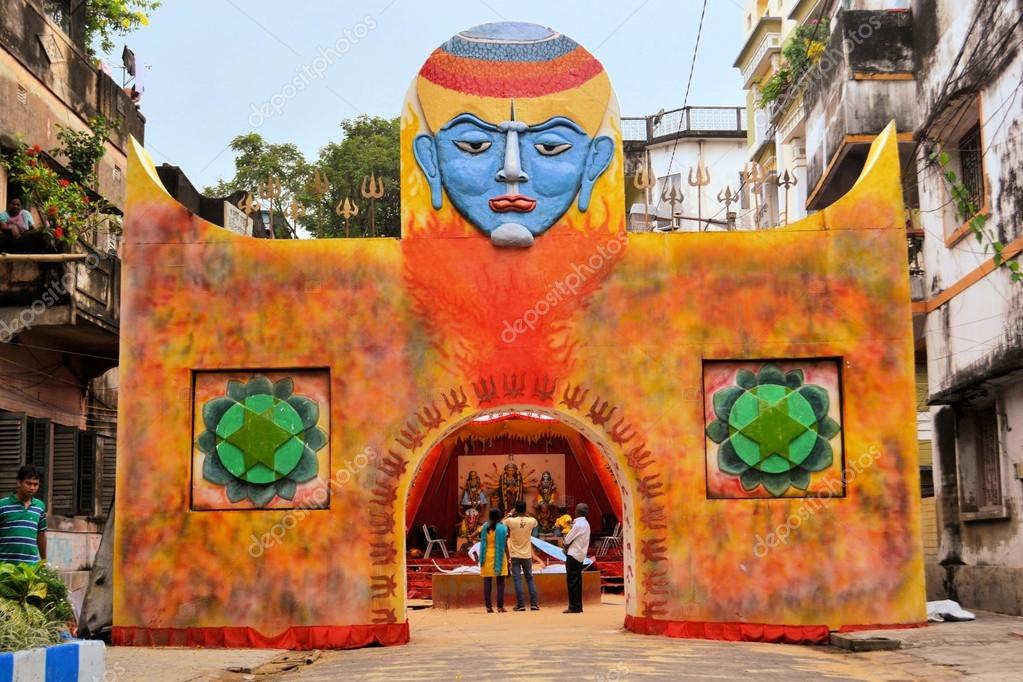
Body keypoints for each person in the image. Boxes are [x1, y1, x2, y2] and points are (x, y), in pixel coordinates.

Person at [0, 465, 47, 564]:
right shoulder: (2, 505)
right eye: (28, 483)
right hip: (5, 566)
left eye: (35, 484)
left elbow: (41, 535)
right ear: (19, 482)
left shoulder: (40, 506)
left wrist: (43, 561)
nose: (32, 488)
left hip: (30, 567)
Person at [506, 500, 540, 611]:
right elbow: (535, 521)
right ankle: (534, 604)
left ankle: (521, 604)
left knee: (517, 579)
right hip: (527, 554)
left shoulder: (511, 520)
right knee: (530, 579)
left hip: (515, 554)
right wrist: (526, 514)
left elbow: (500, 523)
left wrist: (510, 513)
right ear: (525, 509)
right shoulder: (531, 521)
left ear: (515, 509)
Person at [478, 507, 509, 613]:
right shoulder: (503, 528)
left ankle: (488, 607)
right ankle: (500, 606)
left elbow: (481, 540)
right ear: (499, 516)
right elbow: (505, 545)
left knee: (487, 581)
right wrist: (508, 558)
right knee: (500, 582)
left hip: (487, 555)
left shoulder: (484, 527)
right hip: (499, 555)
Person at [561, 502, 590, 614]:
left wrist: (565, 545)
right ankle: (578, 605)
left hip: (573, 554)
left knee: (572, 581)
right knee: (577, 581)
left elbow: (567, 539)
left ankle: (574, 606)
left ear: (577, 511)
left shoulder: (578, 525)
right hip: (581, 554)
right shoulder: (586, 524)